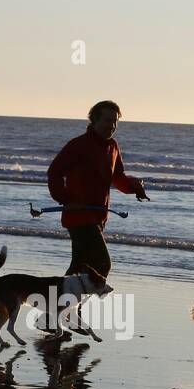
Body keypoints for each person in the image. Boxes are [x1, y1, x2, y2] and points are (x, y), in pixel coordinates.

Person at [46, 100, 149, 279]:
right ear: (94, 120)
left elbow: (118, 177)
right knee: (102, 264)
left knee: (79, 269)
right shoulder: (78, 145)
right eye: (108, 120)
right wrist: (65, 199)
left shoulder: (113, 146)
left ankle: (61, 306)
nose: (112, 125)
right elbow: (54, 172)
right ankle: (63, 304)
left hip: (99, 216)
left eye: (115, 121)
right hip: (78, 215)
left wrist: (133, 187)